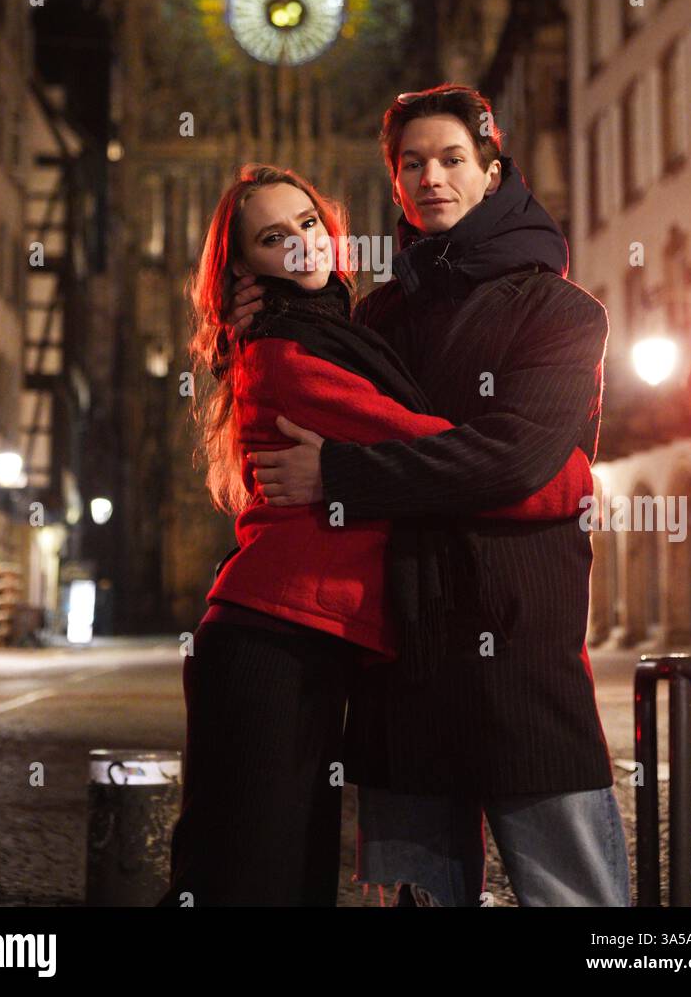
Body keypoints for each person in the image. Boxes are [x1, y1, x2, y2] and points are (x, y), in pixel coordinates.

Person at [232, 84, 630, 908]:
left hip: (519, 656)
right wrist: (257, 306)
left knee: (581, 907)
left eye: (452, 159)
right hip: (402, 666)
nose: (431, 178)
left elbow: (516, 460)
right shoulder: (376, 317)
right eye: (411, 164)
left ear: (492, 170)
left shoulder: (560, 311)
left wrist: (343, 475)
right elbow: (296, 367)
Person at [158, 162, 592, 908]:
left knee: (286, 881)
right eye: (272, 237)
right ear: (246, 267)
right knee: (244, 881)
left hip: (307, 645)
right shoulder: (293, 358)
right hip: (270, 645)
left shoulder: (331, 333)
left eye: (306, 224)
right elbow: (443, 456)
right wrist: (566, 480)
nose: (300, 244)